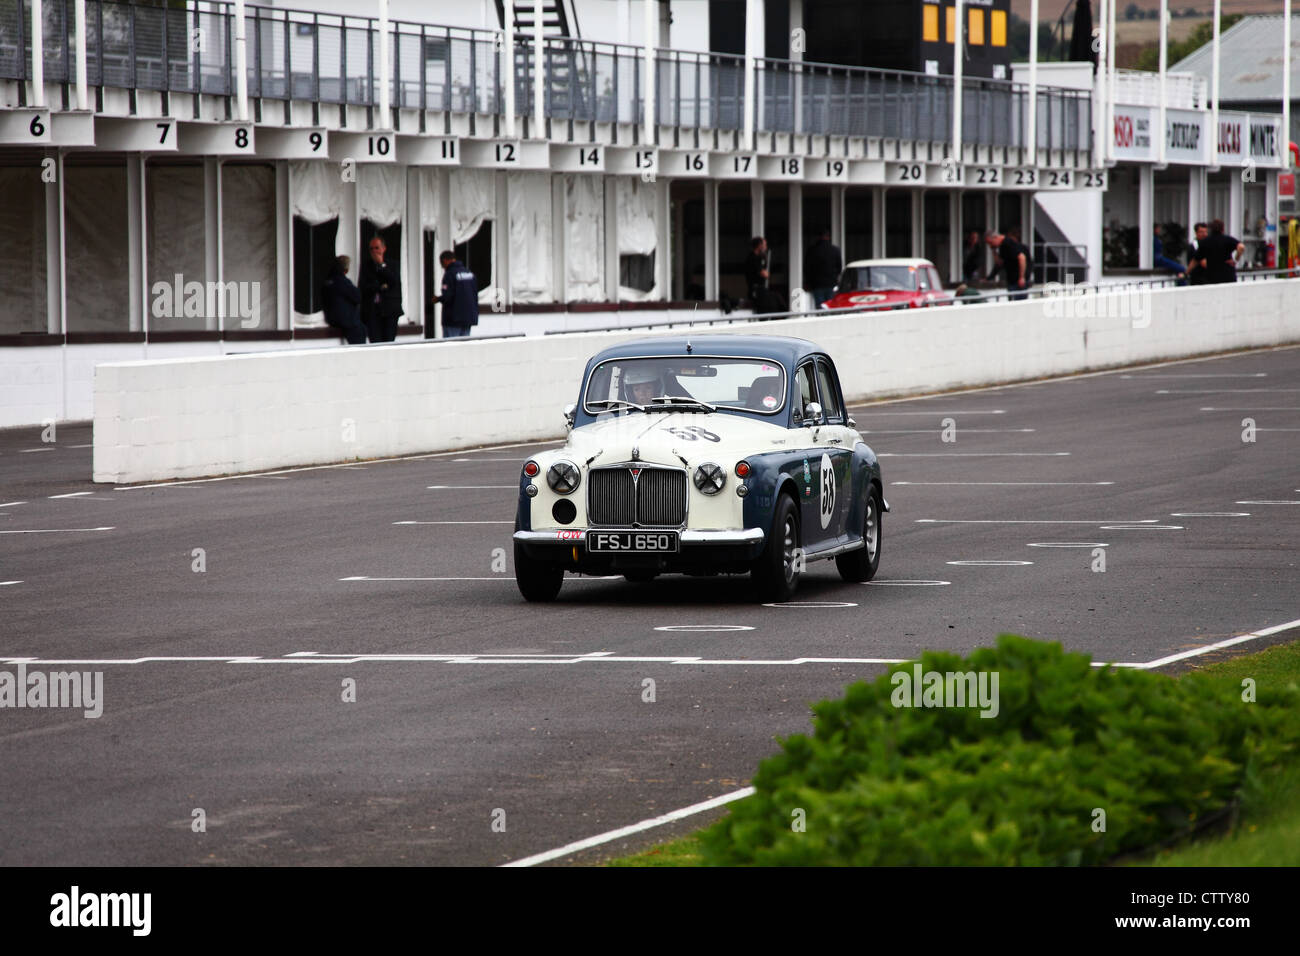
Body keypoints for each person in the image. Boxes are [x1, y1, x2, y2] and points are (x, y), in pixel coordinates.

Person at [359, 236, 404, 343]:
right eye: (371, 249)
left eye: (377, 248)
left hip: (389, 310)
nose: (374, 251)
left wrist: (382, 265)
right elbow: (363, 286)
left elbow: (393, 282)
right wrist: (381, 287)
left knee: (388, 342)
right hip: (372, 311)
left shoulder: (393, 264)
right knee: (375, 342)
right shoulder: (366, 266)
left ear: (383, 249)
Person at [433, 250, 479, 338]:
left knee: (451, 346)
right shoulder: (469, 273)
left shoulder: (450, 274)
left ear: (445, 260)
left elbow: (447, 296)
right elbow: (474, 294)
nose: (442, 267)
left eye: (442, 263)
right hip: (468, 318)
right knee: (464, 347)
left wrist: (438, 299)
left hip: (453, 319)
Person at [321, 255, 365, 345]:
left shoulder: (327, 281)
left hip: (331, 319)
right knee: (361, 333)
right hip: (345, 321)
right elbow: (357, 297)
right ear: (346, 269)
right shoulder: (342, 281)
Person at [985, 228, 1031, 300]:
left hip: (1017, 281)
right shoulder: (1002, 247)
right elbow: (1000, 264)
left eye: (991, 242)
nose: (991, 245)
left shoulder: (1009, 243)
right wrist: (994, 251)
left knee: (1018, 302)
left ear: (995, 238)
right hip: (1012, 280)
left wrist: (1021, 277)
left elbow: (1022, 258)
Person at [804, 227, 842, 308]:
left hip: (817, 284)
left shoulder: (812, 250)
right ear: (828, 237)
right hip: (831, 283)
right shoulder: (835, 250)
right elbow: (839, 267)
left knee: (820, 307)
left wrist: (808, 282)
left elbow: (807, 269)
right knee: (830, 306)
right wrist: (834, 277)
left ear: (818, 237)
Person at [1199, 219, 1245, 284]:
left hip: (1212, 275)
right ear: (1222, 229)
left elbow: (1197, 258)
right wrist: (1235, 259)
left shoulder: (1206, 242)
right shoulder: (1227, 239)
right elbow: (1241, 247)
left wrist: (1187, 272)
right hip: (1228, 274)